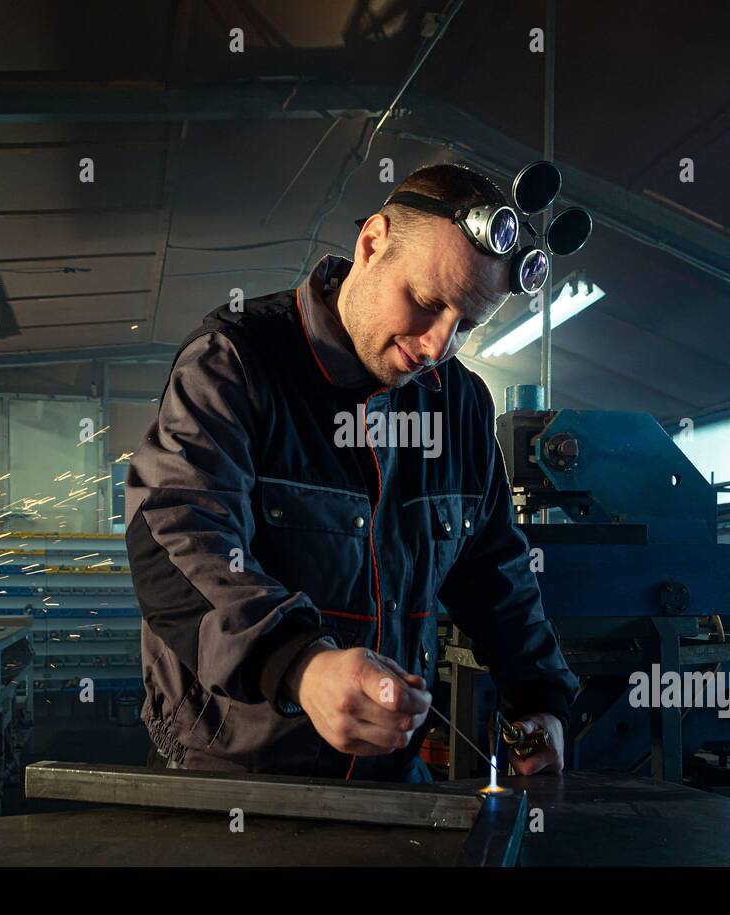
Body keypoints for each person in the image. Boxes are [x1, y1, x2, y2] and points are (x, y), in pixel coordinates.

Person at [125, 163, 577, 783]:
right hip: (227, 777)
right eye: (425, 303)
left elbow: (491, 566)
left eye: (465, 326)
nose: (435, 348)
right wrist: (299, 664)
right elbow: (177, 538)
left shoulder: (459, 405)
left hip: (386, 779)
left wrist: (540, 699)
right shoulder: (236, 365)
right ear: (371, 243)